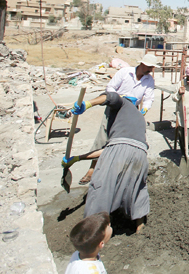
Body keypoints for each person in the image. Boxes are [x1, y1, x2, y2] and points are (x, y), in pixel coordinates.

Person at [63, 90, 150, 233]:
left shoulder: (123, 104)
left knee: (101, 187)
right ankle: (140, 226)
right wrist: (77, 158)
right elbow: (109, 150)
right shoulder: (139, 118)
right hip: (140, 154)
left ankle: (92, 231)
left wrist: (88, 104)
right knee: (136, 188)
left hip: (120, 149)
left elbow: (111, 97)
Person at [78, 53, 158, 185]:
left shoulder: (149, 80)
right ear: (142, 64)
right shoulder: (125, 73)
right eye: (149, 67)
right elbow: (110, 88)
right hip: (115, 108)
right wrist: (121, 98)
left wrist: (145, 109)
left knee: (128, 140)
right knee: (103, 138)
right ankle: (92, 170)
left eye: (152, 67)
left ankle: (122, 171)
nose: (151, 70)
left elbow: (149, 98)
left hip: (132, 111)